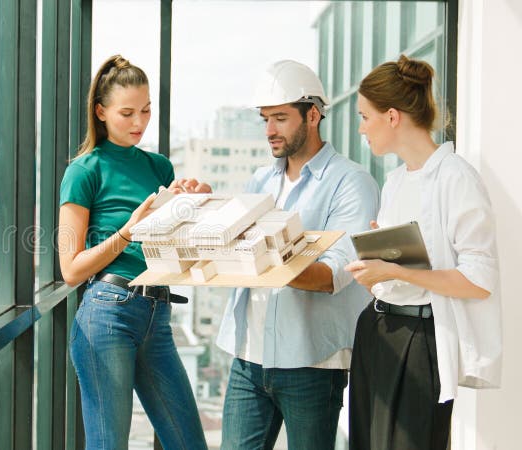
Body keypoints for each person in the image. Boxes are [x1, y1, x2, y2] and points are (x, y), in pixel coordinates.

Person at [216, 60, 380, 450]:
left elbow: (333, 275)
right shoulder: (260, 178)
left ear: (312, 115)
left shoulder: (352, 183)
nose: (269, 130)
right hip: (248, 358)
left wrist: (263, 258)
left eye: (280, 118)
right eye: (264, 119)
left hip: (311, 364)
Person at [345, 55, 502, 450]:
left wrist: (395, 271)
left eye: (365, 117)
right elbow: (401, 268)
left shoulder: (457, 178)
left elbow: (480, 281)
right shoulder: (396, 180)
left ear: (392, 116)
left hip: (420, 340)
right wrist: (381, 262)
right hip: (377, 331)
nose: (361, 128)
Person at [58, 54, 209, 450]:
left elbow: (177, 250)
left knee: (189, 443)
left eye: (145, 111)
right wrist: (129, 230)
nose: (139, 123)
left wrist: (199, 206)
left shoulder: (160, 167)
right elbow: (71, 270)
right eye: (127, 113)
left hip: (157, 314)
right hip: (108, 312)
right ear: (101, 111)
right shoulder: (84, 170)